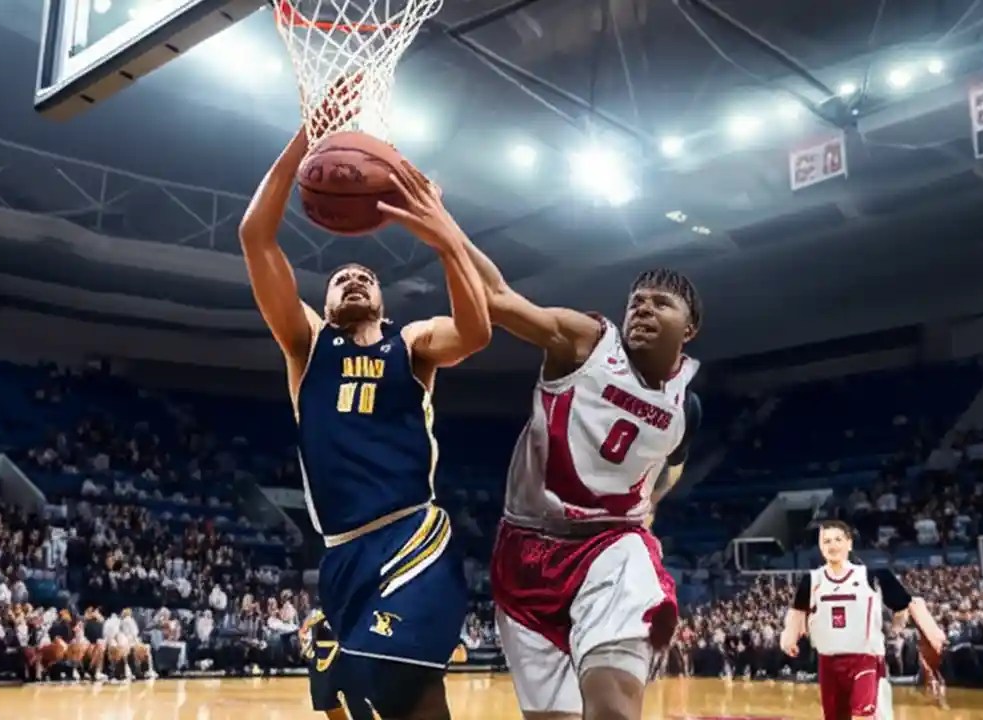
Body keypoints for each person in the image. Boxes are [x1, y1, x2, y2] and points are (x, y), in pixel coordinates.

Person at [238, 125, 491, 719]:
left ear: (383, 301)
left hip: (411, 534)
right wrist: (307, 136)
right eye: (340, 279)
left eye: (366, 278)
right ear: (323, 305)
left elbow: (476, 333)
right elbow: (255, 236)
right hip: (342, 554)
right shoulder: (306, 346)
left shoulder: (412, 343)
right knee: (373, 706)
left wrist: (447, 241)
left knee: (393, 682)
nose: (354, 279)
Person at [467, 244, 701, 719]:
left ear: (689, 328)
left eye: (661, 303)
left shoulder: (684, 407)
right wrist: (434, 221)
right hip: (526, 550)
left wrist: (652, 500)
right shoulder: (590, 345)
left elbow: (673, 463)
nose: (644, 309)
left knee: (612, 707)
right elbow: (497, 298)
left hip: (608, 545)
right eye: (637, 301)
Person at [780, 520, 946, 720]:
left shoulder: (871, 575)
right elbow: (797, 611)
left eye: (837, 540)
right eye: (826, 541)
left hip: (865, 659)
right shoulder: (812, 581)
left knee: (866, 716)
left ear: (849, 543)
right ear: (821, 546)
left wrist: (930, 630)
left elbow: (908, 602)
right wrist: (789, 636)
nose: (832, 545)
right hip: (829, 662)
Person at [301, 608, 375, 720]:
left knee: (357, 702)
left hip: (350, 652)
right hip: (324, 654)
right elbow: (304, 632)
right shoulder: (317, 615)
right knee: (325, 699)